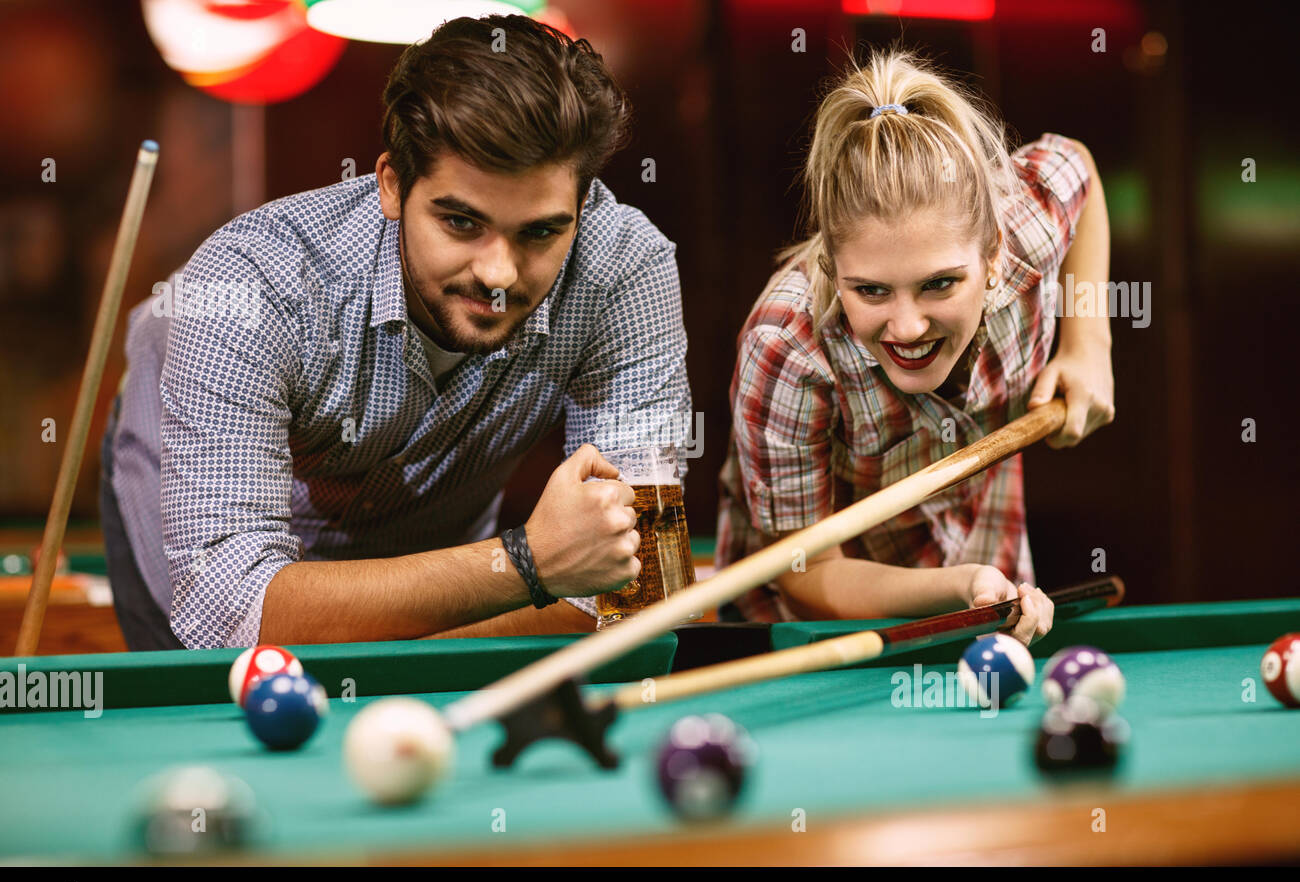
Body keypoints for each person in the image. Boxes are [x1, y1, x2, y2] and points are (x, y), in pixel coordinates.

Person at [101, 15, 691, 650]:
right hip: (192, 523)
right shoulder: (253, 281)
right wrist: (527, 562)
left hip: (443, 558)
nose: (498, 273)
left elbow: (644, 590)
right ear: (391, 184)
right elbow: (230, 615)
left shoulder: (623, 267)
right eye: (462, 222)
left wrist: (419, 638)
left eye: (541, 232)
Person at [715, 49, 1115, 643]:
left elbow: (1076, 166)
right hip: (813, 636)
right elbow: (806, 570)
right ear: (830, 265)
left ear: (994, 255)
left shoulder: (1025, 228)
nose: (906, 328)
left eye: (940, 284)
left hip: (990, 580)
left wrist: (1089, 345)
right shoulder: (787, 351)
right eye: (871, 290)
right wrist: (961, 586)